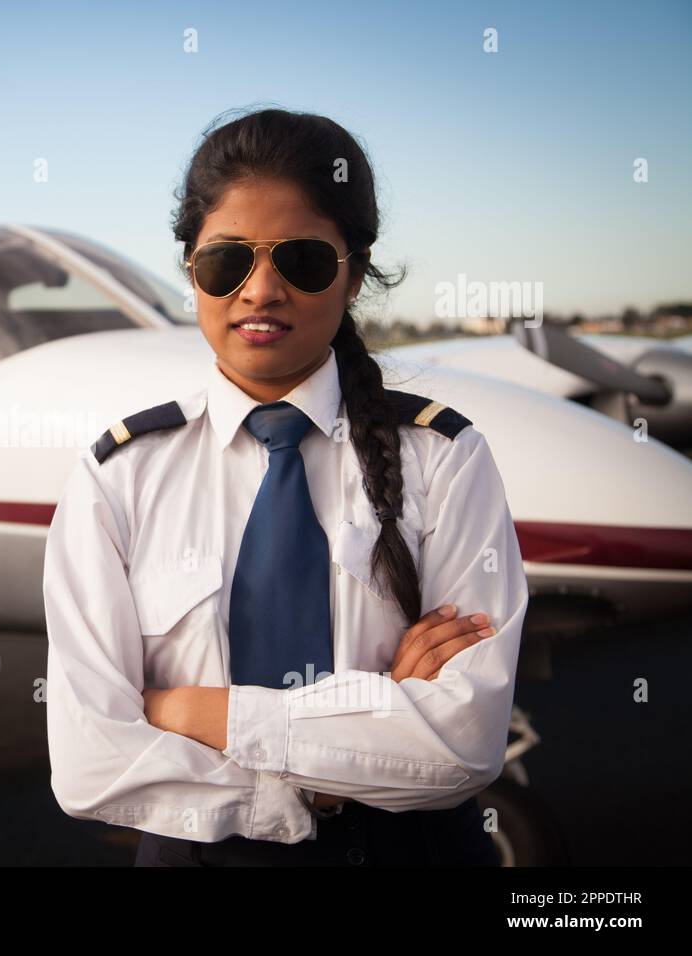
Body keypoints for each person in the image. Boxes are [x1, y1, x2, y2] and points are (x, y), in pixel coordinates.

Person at [42, 107, 529, 866]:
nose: (260, 289)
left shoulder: (445, 457)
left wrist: (189, 712)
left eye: (301, 259)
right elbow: (89, 764)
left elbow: (463, 745)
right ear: (192, 271)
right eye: (226, 261)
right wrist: (333, 773)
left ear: (355, 271)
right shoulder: (116, 477)